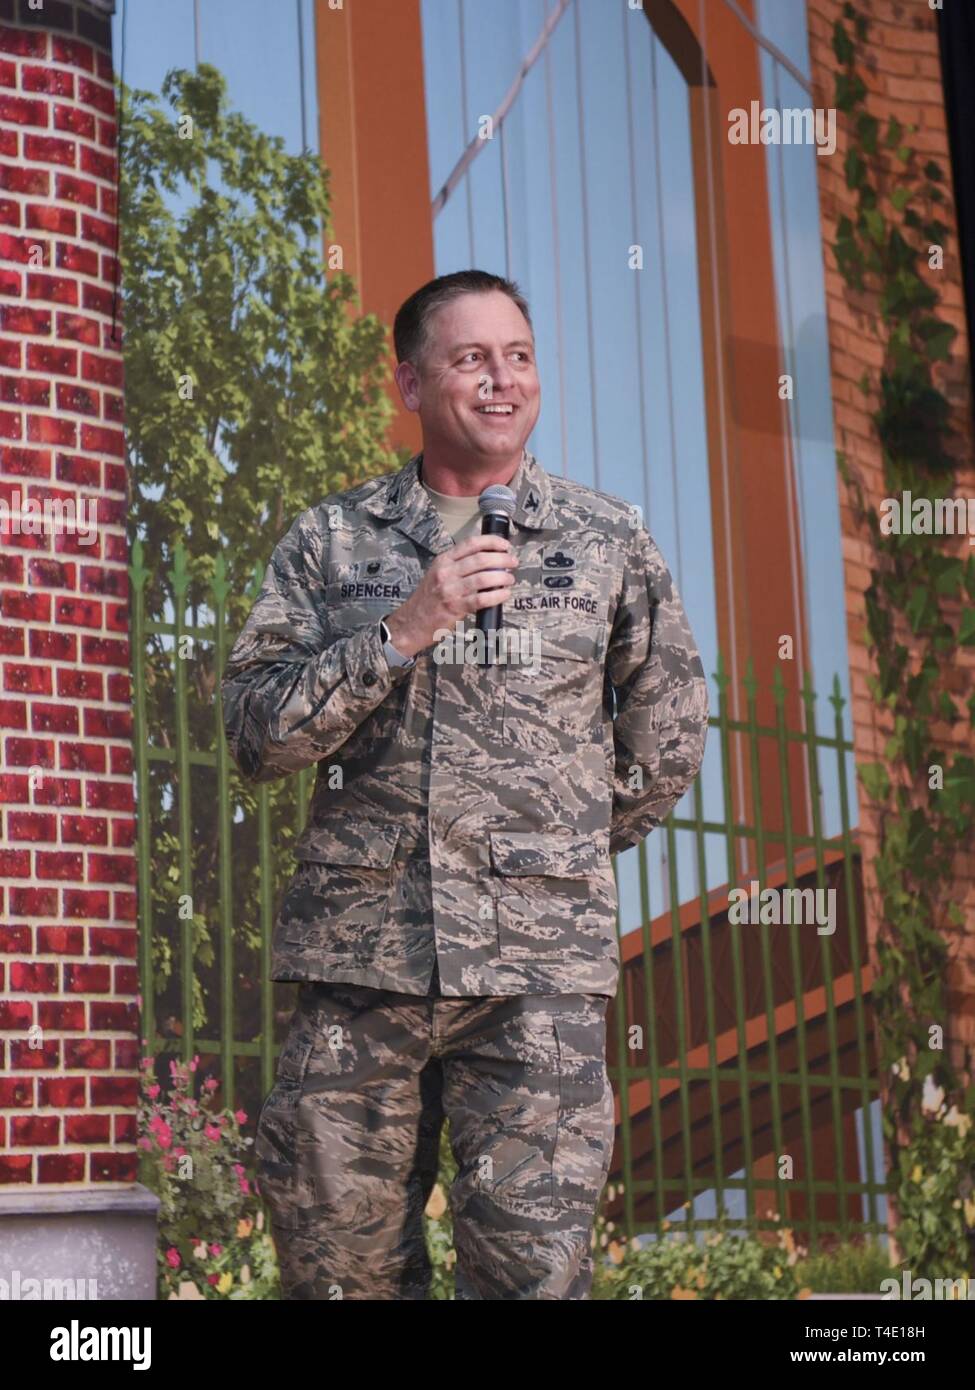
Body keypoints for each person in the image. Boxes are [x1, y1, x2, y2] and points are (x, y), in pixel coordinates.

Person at [221, 268, 710, 1299]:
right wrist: (403, 629)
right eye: (472, 358)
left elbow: (667, 741)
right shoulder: (331, 541)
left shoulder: (607, 541)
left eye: (519, 357)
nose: (502, 381)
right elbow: (258, 734)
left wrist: (549, 852)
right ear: (410, 383)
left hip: (536, 981)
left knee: (533, 1276)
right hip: (361, 969)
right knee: (336, 1272)